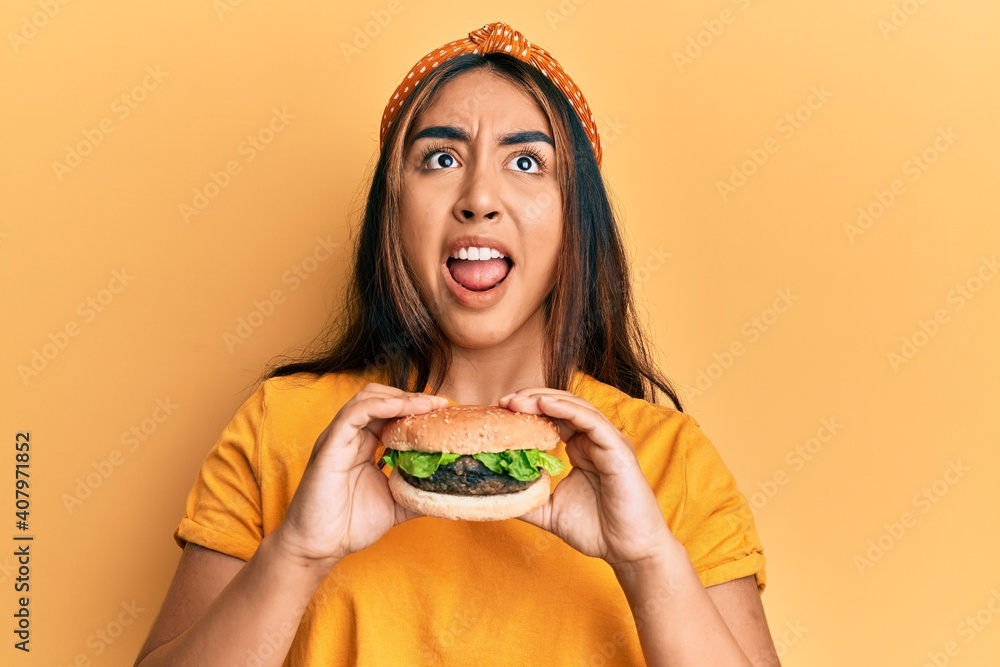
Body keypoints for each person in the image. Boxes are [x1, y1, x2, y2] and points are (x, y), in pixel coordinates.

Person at [135, 21, 781, 666]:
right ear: (391, 210)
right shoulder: (278, 428)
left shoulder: (669, 460)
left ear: (574, 221)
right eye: (441, 158)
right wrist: (298, 551)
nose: (478, 198)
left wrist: (647, 562)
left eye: (526, 161)